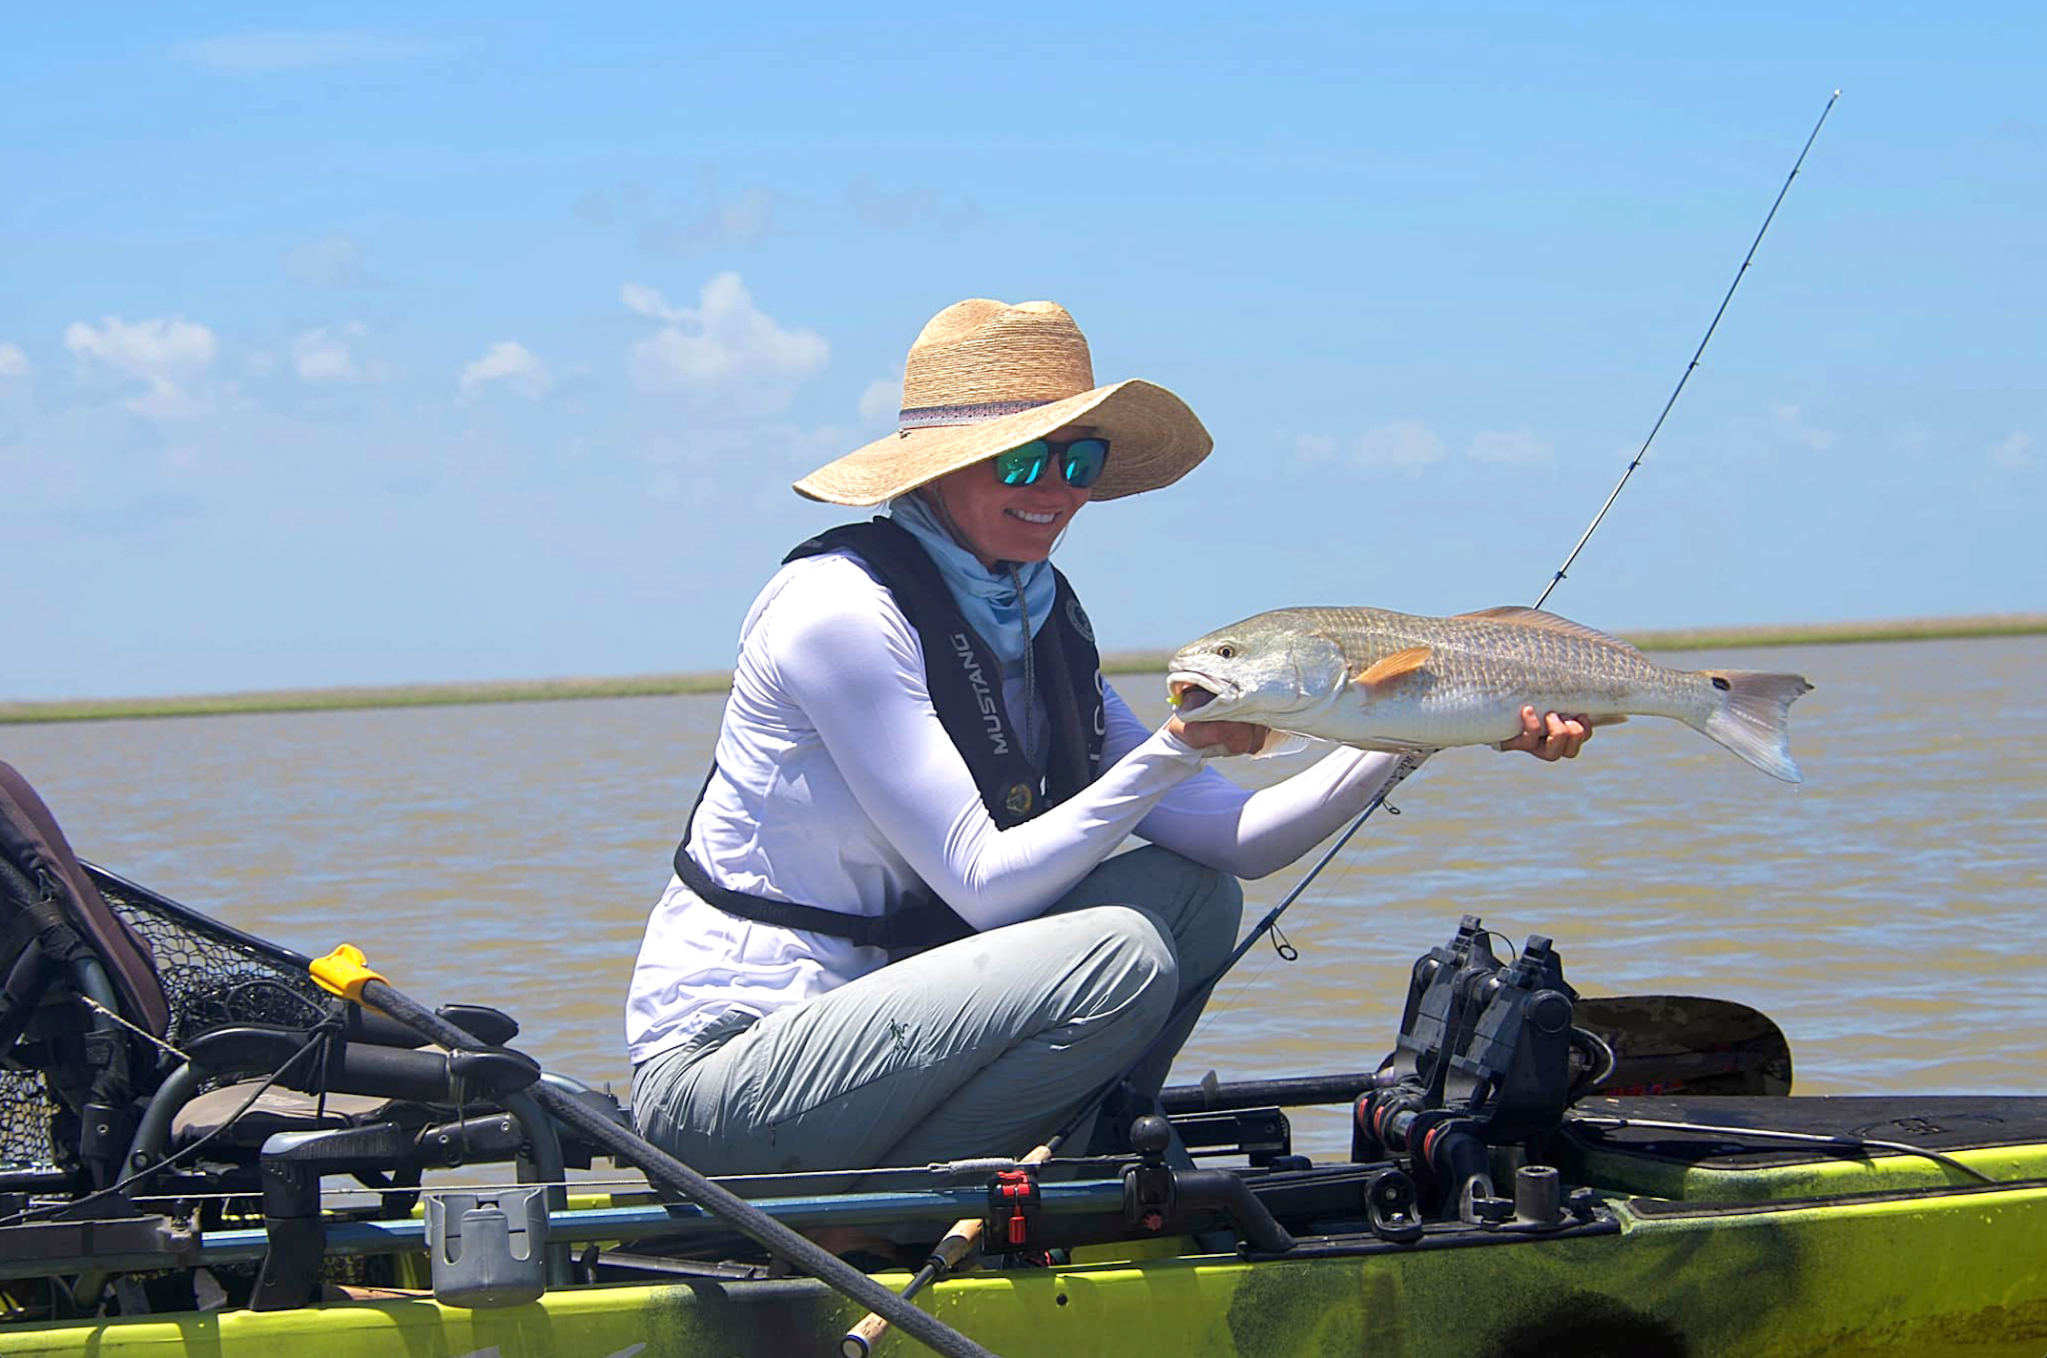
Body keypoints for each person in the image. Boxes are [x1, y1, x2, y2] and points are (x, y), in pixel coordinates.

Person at [625, 298, 1588, 1177]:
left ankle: (1076, 1167)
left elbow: (1237, 844)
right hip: (729, 1081)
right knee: (1116, 955)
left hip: (881, 1052)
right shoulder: (837, 609)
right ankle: (938, 1196)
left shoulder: (1031, 618)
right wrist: (1177, 744)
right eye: (1018, 459)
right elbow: (982, 884)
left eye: (1075, 461)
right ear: (937, 467)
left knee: (1190, 896)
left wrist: (1425, 724)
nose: (1053, 489)